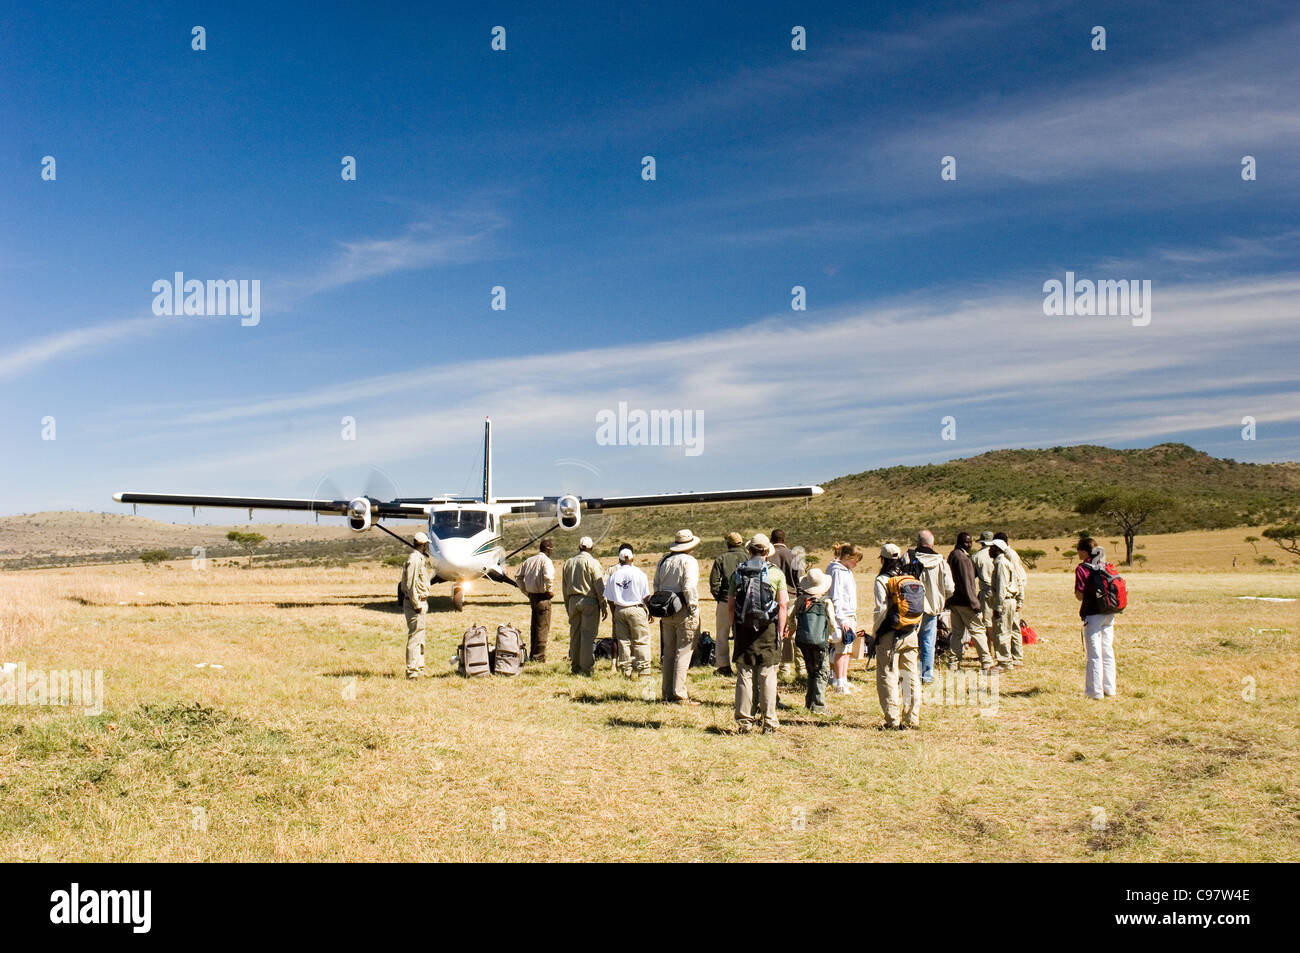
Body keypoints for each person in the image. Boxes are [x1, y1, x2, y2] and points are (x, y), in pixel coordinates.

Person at [729, 534, 788, 733]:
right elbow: (783, 605)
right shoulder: (776, 573)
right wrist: (780, 631)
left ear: (750, 550)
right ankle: (769, 721)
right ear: (766, 552)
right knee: (768, 675)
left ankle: (744, 721)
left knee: (744, 675)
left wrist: (734, 628)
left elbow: (731, 605)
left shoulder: (737, 573)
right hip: (768, 628)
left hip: (743, 628)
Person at [872, 543, 921, 729]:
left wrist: (876, 633)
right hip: (910, 632)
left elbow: (881, 610)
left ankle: (892, 720)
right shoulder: (910, 577)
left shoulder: (882, 580)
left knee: (888, 676)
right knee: (911, 676)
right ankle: (912, 719)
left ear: (883, 559)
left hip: (889, 635)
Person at [654, 529, 702, 704]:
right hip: (683, 609)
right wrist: (693, 608)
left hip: (666, 610)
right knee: (683, 652)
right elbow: (689, 587)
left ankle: (666, 692)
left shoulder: (663, 561)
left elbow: (656, 585)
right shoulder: (689, 561)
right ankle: (679, 693)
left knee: (668, 652)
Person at [908, 530, 954, 686]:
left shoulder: (910, 558)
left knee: (910, 641)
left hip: (911, 607)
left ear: (918, 543)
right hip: (932, 608)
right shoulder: (941, 562)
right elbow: (950, 588)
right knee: (928, 641)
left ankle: (908, 673)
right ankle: (926, 676)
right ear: (932, 544)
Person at [1075, 538, 1117, 699]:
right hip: (1109, 612)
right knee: (1107, 651)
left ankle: (1094, 692)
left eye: (1078, 549)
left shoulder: (1082, 568)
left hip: (1093, 614)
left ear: (1085, 551)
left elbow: (1079, 594)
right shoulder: (1105, 565)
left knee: (1094, 655)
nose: (1077, 552)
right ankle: (1110, 689)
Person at [946, 532, 994, 671]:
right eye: (967, 542)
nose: (969, 544)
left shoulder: (954, 554)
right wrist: (974, 603)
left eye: (970, 541)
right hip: (965, 602)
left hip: (954, 601)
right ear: (960, 542)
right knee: (978, 631)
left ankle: (953, 663)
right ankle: (987, 661)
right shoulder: (962, 558)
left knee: (957, 633)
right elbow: (967, 583)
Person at [604, 543, 652, 677]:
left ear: (619, 560)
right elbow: (646, 596)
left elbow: (610, 598)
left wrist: (614, 613)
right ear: (632, 559)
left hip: (620, 610)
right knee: (640, 640)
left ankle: (626, 670)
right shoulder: (640, 574)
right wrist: (650, 611)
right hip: (637, 609)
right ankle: (643, 670)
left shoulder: (613, 576)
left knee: (623, 642)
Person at [562, 536, 607, 675]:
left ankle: (575, 667)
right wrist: (603, 604)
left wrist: (567, 605)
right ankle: (586, 669)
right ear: (591, 548)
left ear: (579, 547)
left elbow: (564, 587)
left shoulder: (568, 563)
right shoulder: (593, 563)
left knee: (574, 635)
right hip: (589, 602)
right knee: (587, 637)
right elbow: (599, 585)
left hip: (573, 601)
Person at [792, 567, 835, 713]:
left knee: (811, 670)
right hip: (821, 642)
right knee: (822, 671)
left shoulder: (801, 600)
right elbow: (833, 624)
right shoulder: (826, 602)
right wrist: (831, 635)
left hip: (803, 641)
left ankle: (809, 702)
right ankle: (818, 706)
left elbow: (791, 617)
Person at [826, 542, 862, 693]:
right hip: (843, 615)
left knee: (847, 648)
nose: (856, 564)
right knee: (841, 649)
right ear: (847, 556)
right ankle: (839, 682)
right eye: (855, 560)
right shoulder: (837, 571)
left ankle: (842, 679)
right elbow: (836, 597)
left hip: (849, 614)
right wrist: (842, 620)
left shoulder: (845, 570)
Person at [708, 532, 746, 676]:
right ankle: (743, 665)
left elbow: (714, 583)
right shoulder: (748, 558)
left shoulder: (721, 559)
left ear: (728, 544)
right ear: (741, 543)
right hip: (744, 602)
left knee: (722, 634)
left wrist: (720, 597)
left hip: (725, 600)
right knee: (742, 633)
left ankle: (724, 666)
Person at [769, 530, 805, 681]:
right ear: (784, 539)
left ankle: (783, 667)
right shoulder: (794, 555)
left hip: (773, 599)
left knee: (778, 633)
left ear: (771, 539)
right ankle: (801, 668)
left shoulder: (768, 555)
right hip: (792, 598)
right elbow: (801, 579)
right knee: (794, 634)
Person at [515, 538, 556, 663]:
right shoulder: (546, 561)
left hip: (532, 596)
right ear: (548, 550)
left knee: (534, 626)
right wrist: (549, 590)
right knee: (543, 627)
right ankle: (538, 657)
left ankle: (533, 653)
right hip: (543, 597)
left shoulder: (529, 560)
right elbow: (548, 576)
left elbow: (518, 577)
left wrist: (526, 591)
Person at [399, 532, 432, 679]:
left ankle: (419, 668)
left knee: (420, 636)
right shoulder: (414, 560)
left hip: (420, 601)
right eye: (427, 545)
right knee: (415, 637)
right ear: (423, 545)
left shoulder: (418, 559)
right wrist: (416, 603)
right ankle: (412, 671)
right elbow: (410, 584)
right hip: (416, 603)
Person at [995, 532, 1028, 667]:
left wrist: (1020, 599)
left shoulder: (1008, 556)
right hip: (1014, 595)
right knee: (1014, 628)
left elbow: (1018, 577)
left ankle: (1008, 660)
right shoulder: (1009, 554)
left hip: (1011, 596)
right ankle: (1016, 658)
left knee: (1006, 629)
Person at [987, 537, 1019, 672]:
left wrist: (998, 606)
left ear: (997, 549)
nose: (989, 551)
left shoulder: (1000, 564)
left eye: (991, 548)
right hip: (1010, 599)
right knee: (1007, 630)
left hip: (1004, 600)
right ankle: (1008, 660)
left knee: (1001, 631)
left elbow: (1001, 587)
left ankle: (1004, 662)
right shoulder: (1004, 562)